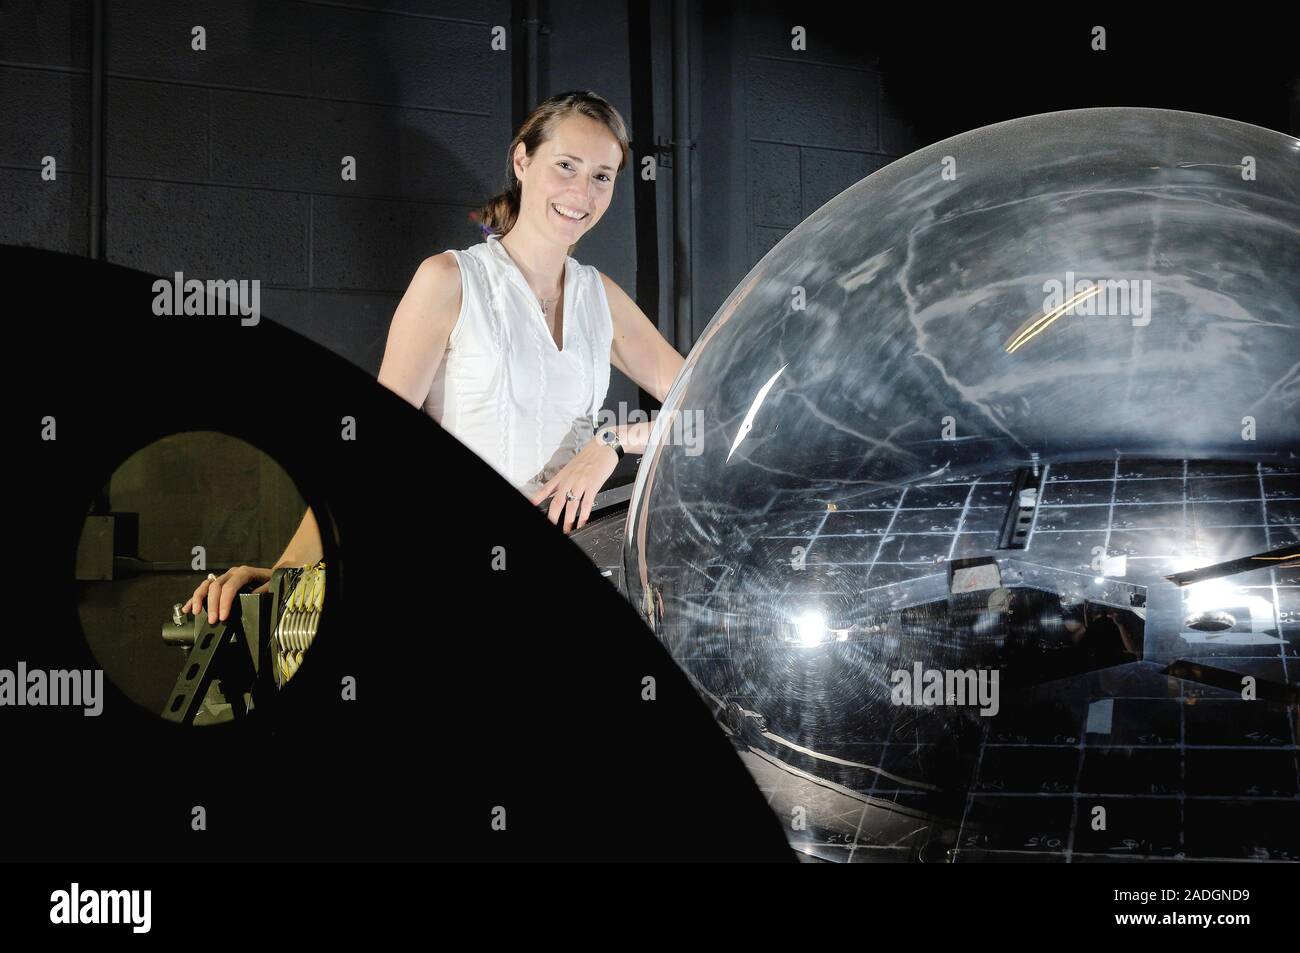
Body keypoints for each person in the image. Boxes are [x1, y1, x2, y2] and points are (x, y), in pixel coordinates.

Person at [184, 90, 686, 624]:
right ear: (522, 160)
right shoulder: (449, 280)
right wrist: (285, 573)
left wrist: (612, 443)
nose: (582, 192)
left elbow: (713, 410)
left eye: (602, 176)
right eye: (566, 166)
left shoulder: (599, 296)